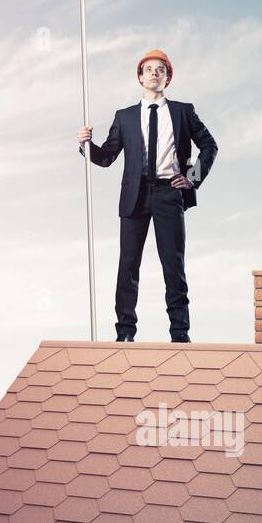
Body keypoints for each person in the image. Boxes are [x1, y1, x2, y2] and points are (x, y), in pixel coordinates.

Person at [76, 50, 218, 342]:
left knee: (173, 264)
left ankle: (180, 334)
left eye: (160, 69)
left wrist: (191, 179)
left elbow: (209, 146)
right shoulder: (125, 116)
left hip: (169, 193)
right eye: (149, 69)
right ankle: (125, 332)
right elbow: (107, 157)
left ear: (167, 77)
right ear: (140, 77)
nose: (154, 73)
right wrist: (86, 145)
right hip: (135, 194)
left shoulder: (183, 111)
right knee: (128, 265)